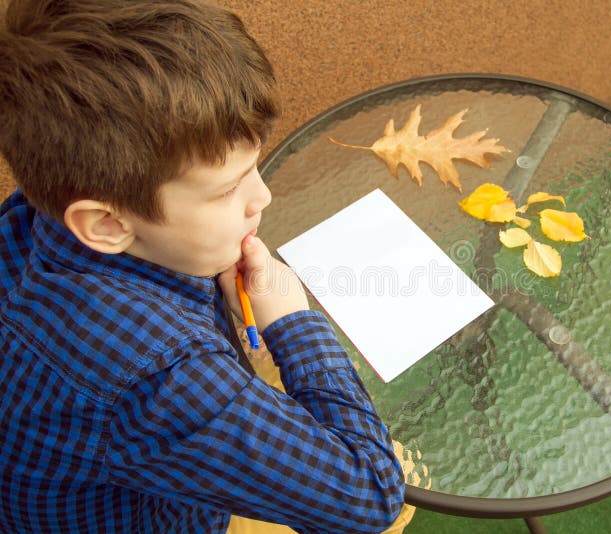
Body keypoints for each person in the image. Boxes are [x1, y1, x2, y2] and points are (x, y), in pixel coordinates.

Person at [0, 1, 408, 532]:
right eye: (227, 189)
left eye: (252, 167)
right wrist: (292, 321)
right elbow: (368, 495)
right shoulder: (156, 373)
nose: (262, 196)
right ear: (106, 222)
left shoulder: (38, 212)